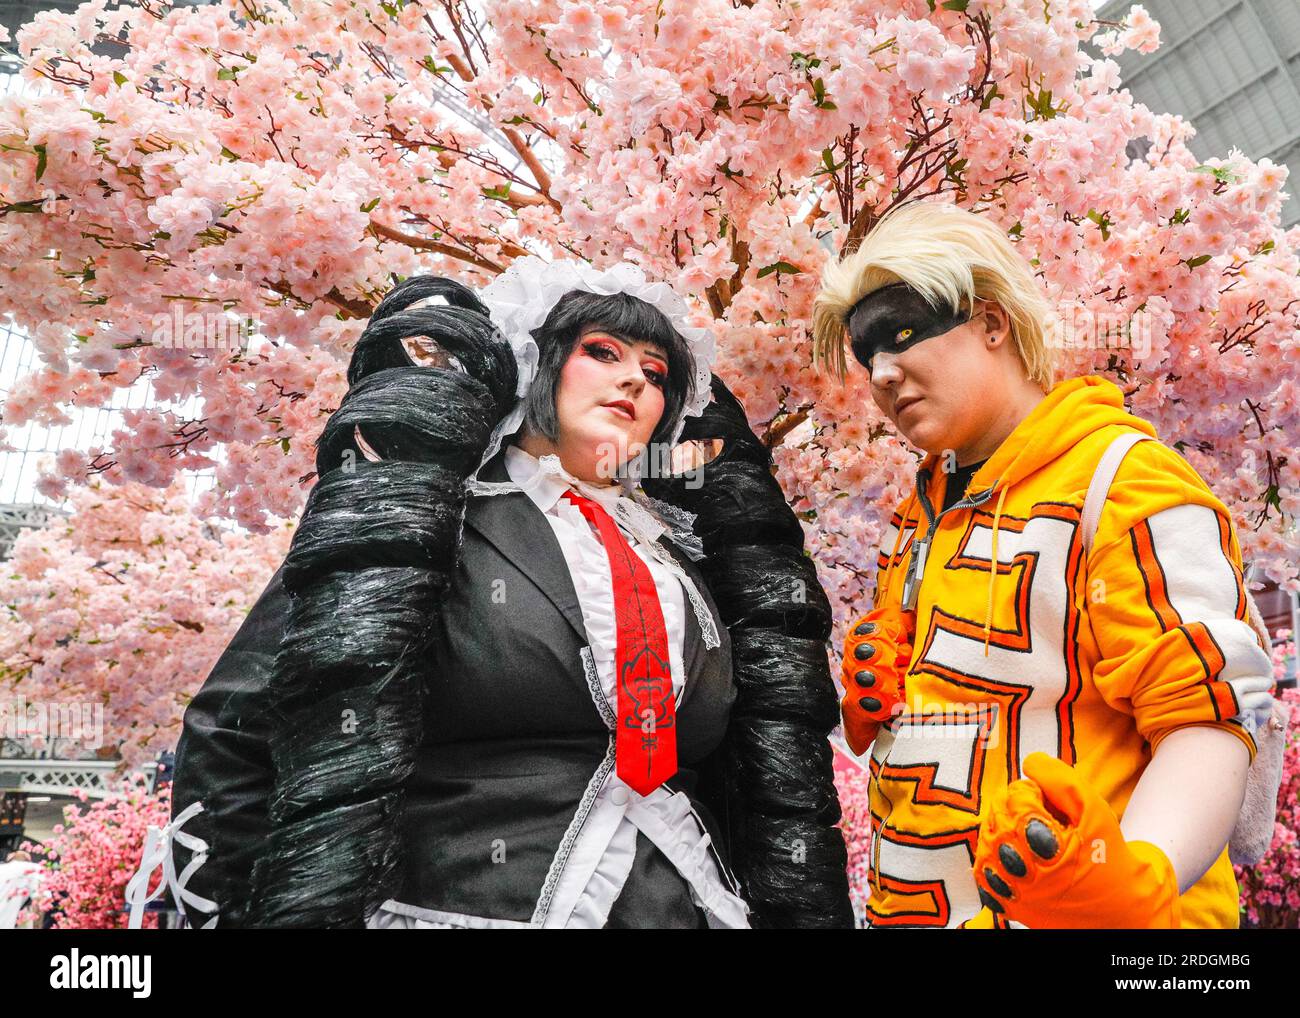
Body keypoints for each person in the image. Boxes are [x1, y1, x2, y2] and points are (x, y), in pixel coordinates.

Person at [158, 257, 852, 929]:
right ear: (536, 363)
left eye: (656, 373)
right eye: (603, 352)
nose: (635, 382)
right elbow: (233, 731)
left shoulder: (687, 562)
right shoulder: (418, 520)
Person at [811, 200, 1277, 929]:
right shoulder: (921, 512)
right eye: (865, 355)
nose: (882, 374)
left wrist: (1140, 876)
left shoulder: (1123, 481)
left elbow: (1211, 719)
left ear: (992, 324)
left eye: (901, 335)